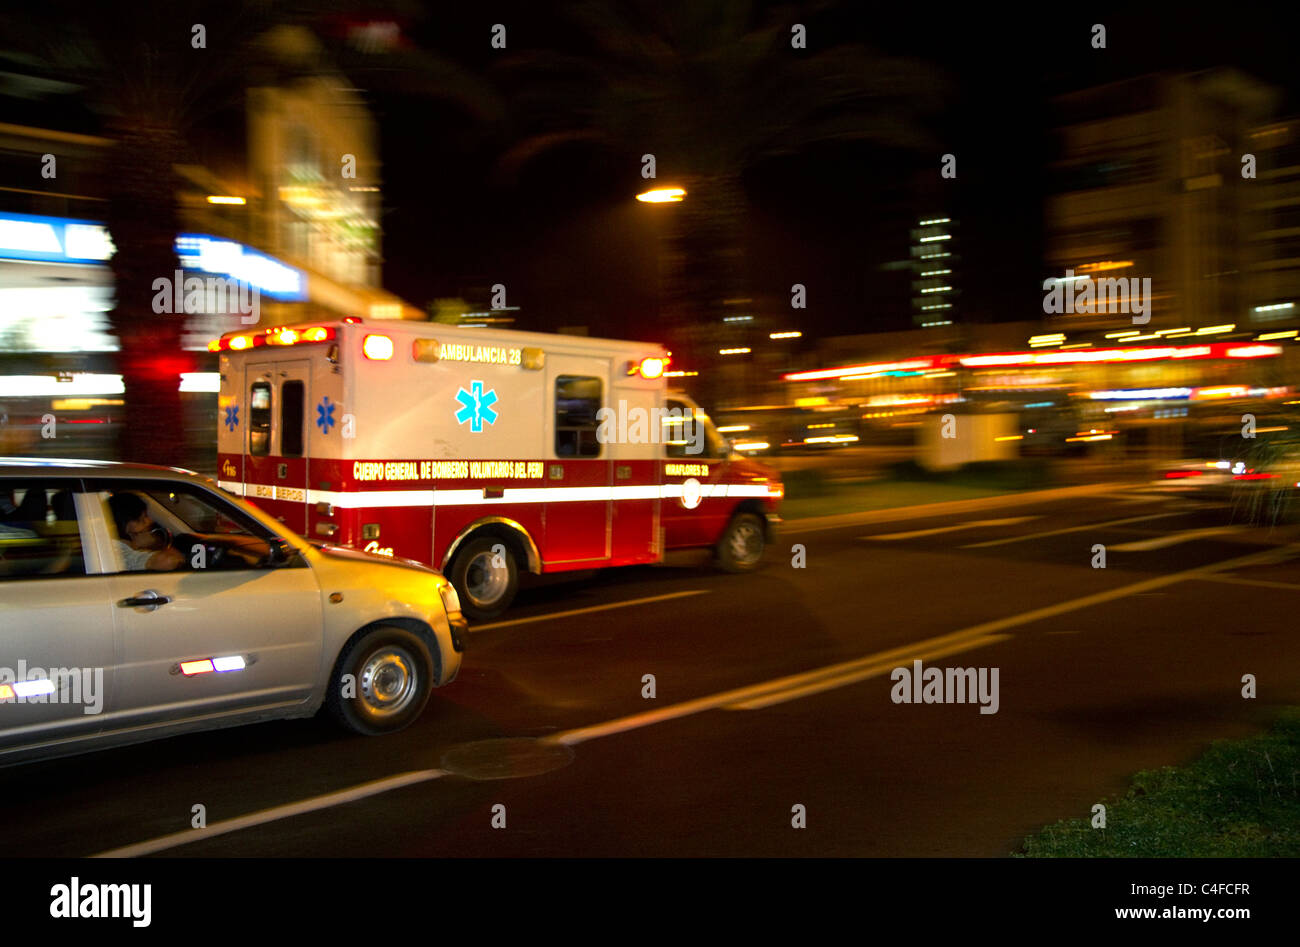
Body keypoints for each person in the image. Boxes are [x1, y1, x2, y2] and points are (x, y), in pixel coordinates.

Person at [107, 492, 270, 571]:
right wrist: (181, 552)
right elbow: (166, 561)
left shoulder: (111, 549)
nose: (150, 522)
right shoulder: (119, 552)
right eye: (143, 518)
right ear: (130, 527)